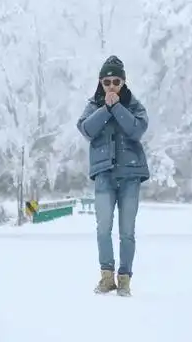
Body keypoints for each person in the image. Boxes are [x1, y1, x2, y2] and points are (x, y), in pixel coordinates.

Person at [77, 55, 149, 297]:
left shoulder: (133, 105)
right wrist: (105, 108)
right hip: (104, 175)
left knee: (127, 230)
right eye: (106, 82)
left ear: (123, 82)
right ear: (100, 82)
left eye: (116, 81)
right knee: (103, 228)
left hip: (130, 175)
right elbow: (86, 129)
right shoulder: (93, 105)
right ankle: (106, 277)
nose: (111, 86)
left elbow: (137, 129)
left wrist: (117, 107)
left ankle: (125, 279)